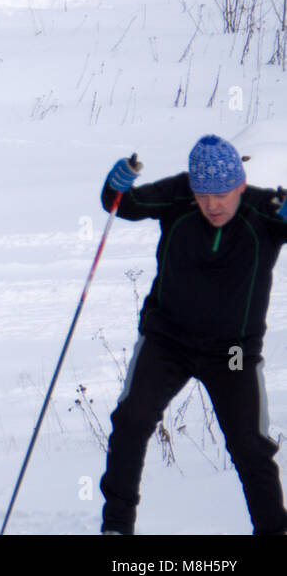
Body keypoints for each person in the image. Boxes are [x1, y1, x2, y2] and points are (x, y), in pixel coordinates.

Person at [98, 135, 287, 534]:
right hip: (169, 341)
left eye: (222, 194)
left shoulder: (264, 210)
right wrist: (117, 183)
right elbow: (122, 205)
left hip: (232, 352)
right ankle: (116, 527)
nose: (212, 205)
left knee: (250, 446)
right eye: (203, 195)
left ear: (240, 185)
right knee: (131, 421)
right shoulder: (178, 196)